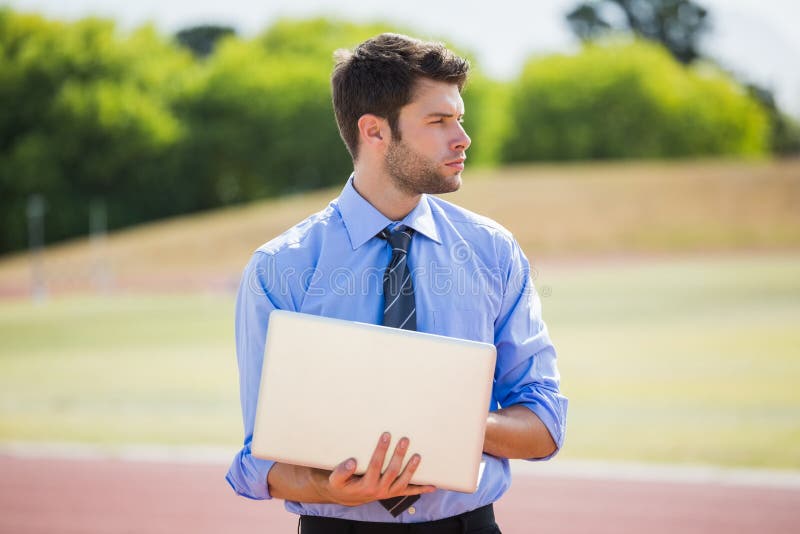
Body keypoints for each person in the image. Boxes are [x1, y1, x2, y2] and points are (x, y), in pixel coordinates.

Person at [226, 33, 568, 533]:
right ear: (375, 131)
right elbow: (260, 460)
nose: (462, 137)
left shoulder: (493, 252)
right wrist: (327, 487)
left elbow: (544, 425)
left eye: (460, 118)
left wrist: (445, 419)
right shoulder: (280, 269)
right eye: (438, 120)